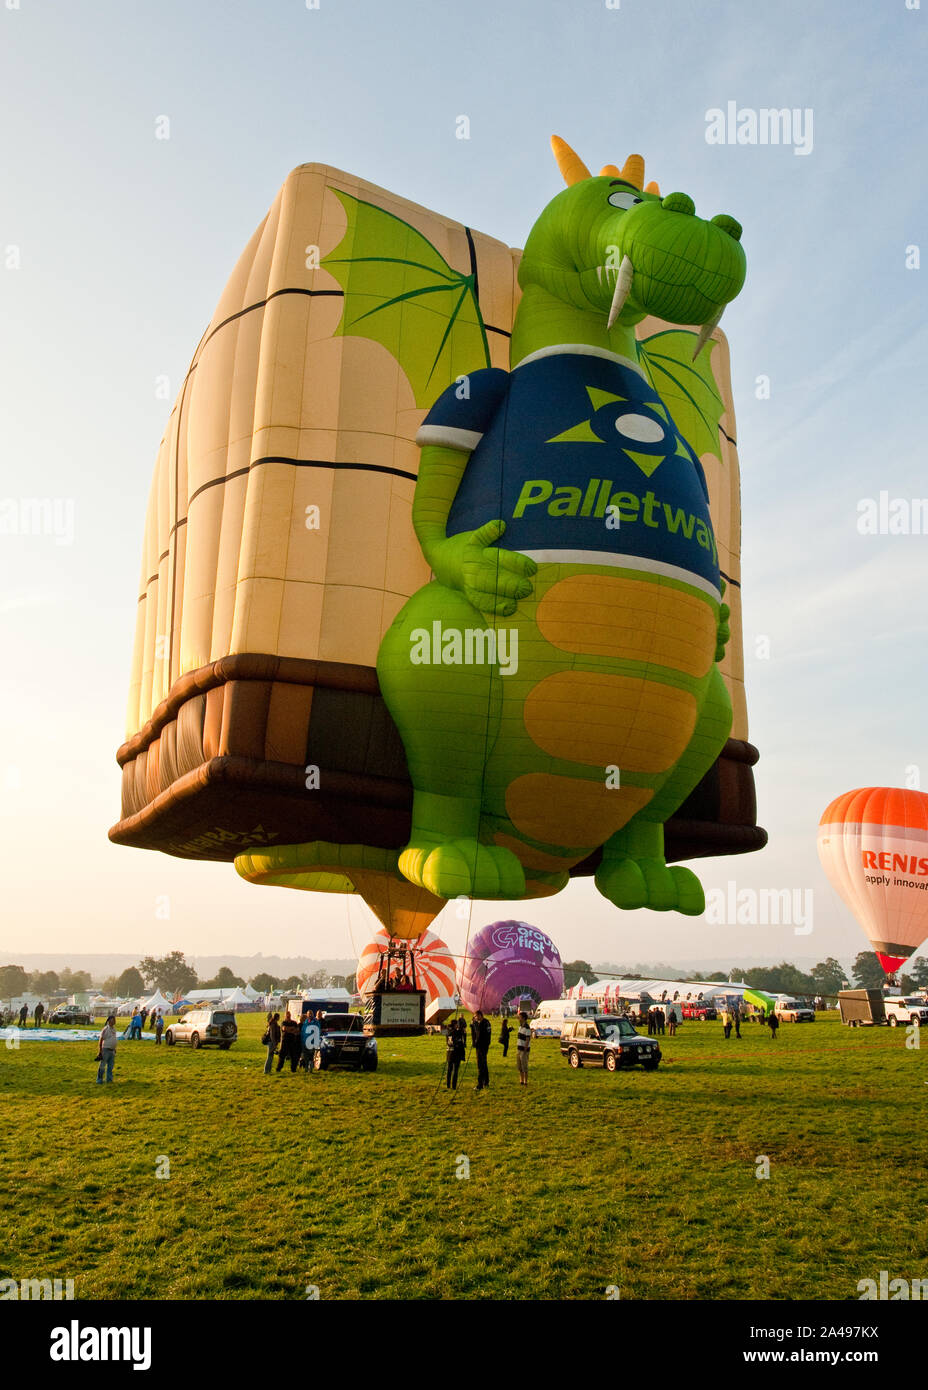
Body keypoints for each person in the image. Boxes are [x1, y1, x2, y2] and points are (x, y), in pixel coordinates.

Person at [96, 1014, 118, 1084]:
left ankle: (109, 1079)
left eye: (115, 1020)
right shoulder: (105, 1029)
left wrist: (114, 1048)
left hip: (112, 1050)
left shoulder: (114, 1029)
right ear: (109, 1021)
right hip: (105, 1050)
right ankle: (99, 1080)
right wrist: (100, 1051)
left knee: (110, 1067)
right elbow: (101, 1039)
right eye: (113, 1019)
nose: (114, 1021)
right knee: (102, 1066)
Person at [472, 1010, 491, 1091]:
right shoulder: (486, 1022)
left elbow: (479, 1034)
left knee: (480, 1065)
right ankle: (486, 1081)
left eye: (476, 1016)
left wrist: (474, 1025)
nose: (475, 1018)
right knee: (484, 1064)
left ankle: (480, 1084)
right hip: (483, 1046)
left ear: (480, 1015)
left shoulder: (483, 1023)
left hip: (481, 1046)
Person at [445, 1019, 465, 1090]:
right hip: (456, 1053)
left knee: (449, 1069)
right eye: (457, 1024)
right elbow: (460, 1041)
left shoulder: (448, 1032)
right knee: (455, 1070)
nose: (458, 1025)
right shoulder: (457, 1032)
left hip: (449, 1053)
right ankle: (454, 1086)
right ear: (455, 1025)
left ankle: (448, 1085)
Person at [515, 1011, 531, 1087]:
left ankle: (525, 1082)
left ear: (523, 1018)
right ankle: (521, 1080)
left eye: (520, 1017)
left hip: (524, 1050)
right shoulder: (520, 1027)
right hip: (518, 1049)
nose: (518, 1018)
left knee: (524, 1066)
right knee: (519, 1066)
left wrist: (525, 1050)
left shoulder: (527, 1028)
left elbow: (528, 1040)